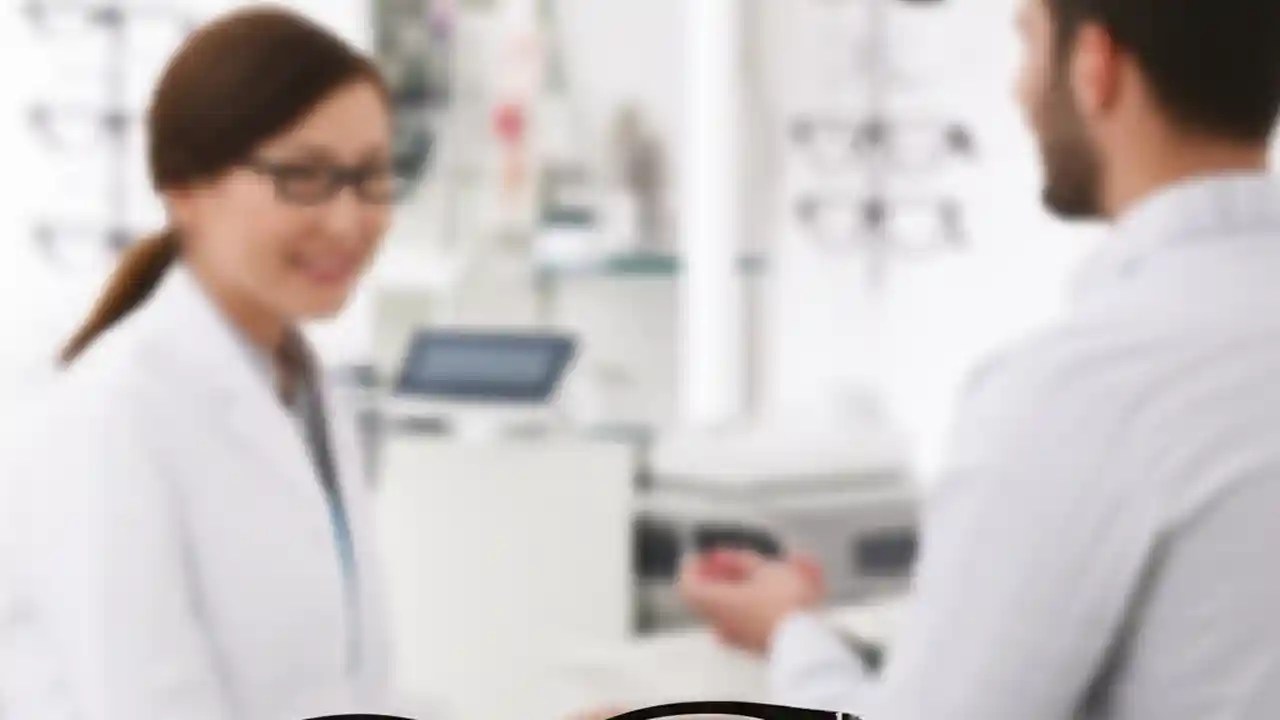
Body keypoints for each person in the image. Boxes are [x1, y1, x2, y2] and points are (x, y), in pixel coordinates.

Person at [679, 1, 1280, 718]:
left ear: (1096, 67)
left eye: (1027, 45)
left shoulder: (1078, 387)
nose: (1019, 89)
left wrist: (791, 638)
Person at [0, 8, 420, 719]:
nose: (349, 221)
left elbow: (334, 691)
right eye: (304, 177)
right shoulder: (112, 417)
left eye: (371, 177)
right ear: (185, 189)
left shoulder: (304, 394)